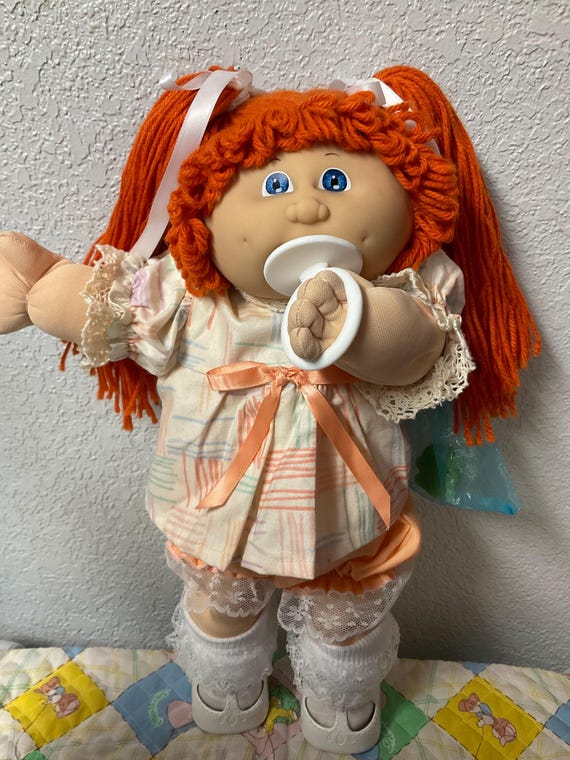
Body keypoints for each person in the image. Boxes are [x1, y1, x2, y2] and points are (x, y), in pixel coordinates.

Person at [0, 65, 539, 753]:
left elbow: (417, 348)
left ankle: (340, 700)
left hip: (348, 518)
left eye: (336, 181)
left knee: (346, 621)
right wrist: (43, 291)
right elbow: (116, 311)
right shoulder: (191, 297)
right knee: (219, 609)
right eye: (276, 187)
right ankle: (228, 687)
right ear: (205, 214)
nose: (308, 209)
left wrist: (359, 322)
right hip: (216, 512)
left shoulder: (409, 289)